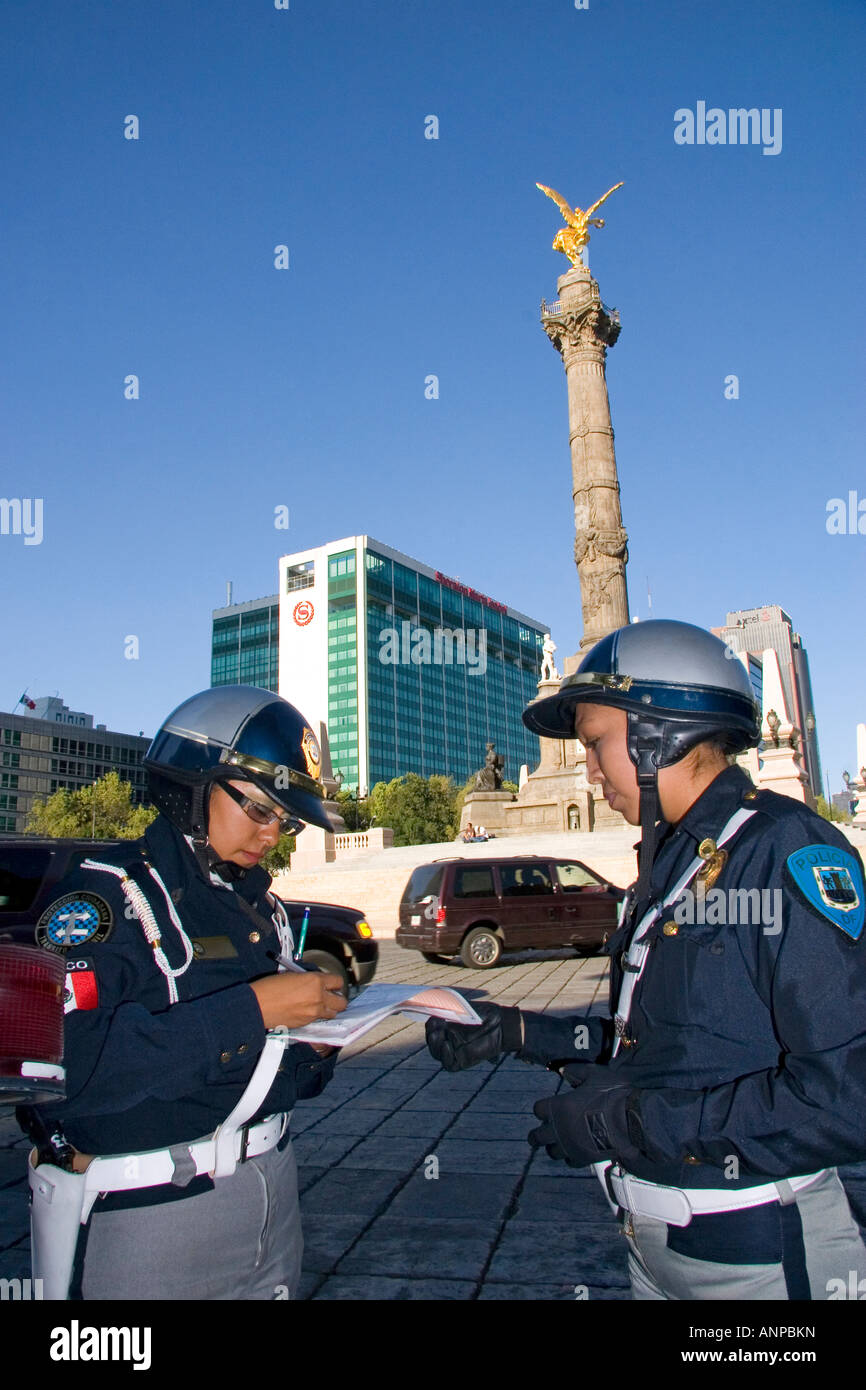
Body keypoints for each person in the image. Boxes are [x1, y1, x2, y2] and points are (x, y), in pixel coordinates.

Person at [427, 620, 866, 1300]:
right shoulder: (672, 867)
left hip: (761, 1255)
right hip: (649, 1251)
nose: (591, 769)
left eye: (598, 744)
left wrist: (624, 1123)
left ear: (663, 732)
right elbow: (676, 1047)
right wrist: (521, 1032)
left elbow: (846, 1099)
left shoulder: (781, 852)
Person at [20, 685, 348, 1301]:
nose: (274, 833)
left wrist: (316, 1045)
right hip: (151, 1209)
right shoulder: (105, 900)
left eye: (286, 819)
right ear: (193, 787)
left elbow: (266, 1068)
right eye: (259, 809)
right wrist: (255, 1009)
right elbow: (64, 1073)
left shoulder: (260, 908)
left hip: (271, 1193)